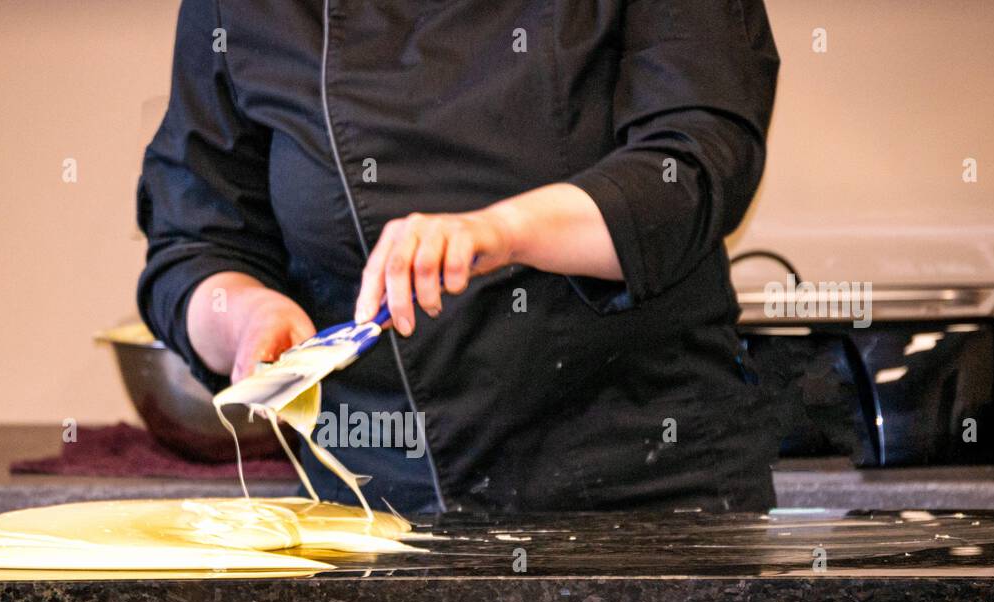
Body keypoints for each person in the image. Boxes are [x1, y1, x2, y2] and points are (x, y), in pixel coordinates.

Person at [138, 0, 781, 513]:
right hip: (373, 517)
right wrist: (247, 316)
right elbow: (196, 242)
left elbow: (694, 166)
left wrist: (500, 231)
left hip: (645, 497)